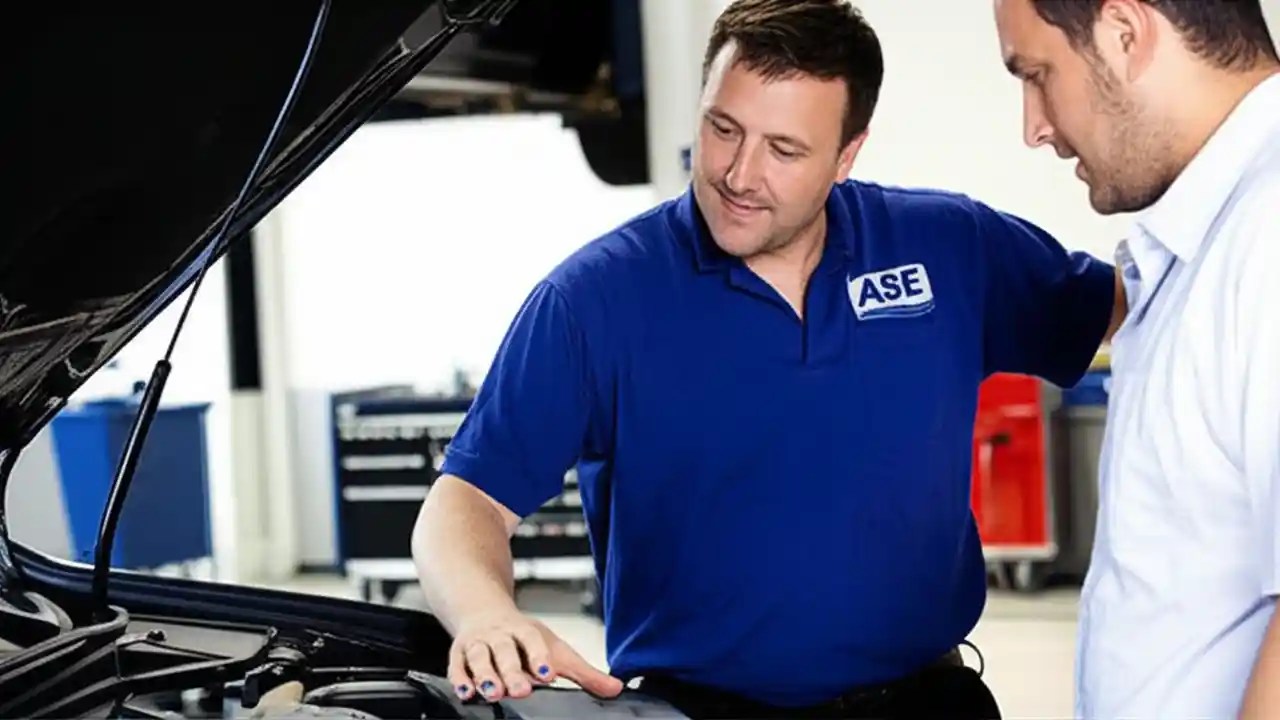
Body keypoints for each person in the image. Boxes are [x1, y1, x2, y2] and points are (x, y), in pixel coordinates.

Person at [411, 1, 1122, 717]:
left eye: (784, 150)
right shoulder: (592, 301)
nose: (739, 174)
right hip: (700, 709)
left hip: (928, 702)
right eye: (724, 129)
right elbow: (465, 501)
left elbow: (1137, 311)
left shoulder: (948, 247)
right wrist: (482, 612)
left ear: (847, 155)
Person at [992, 0, 1280, 717]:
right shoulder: (1212, 234)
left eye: (1038, 74)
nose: (1034, 127)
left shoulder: (1268, 236)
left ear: (1125, 33)